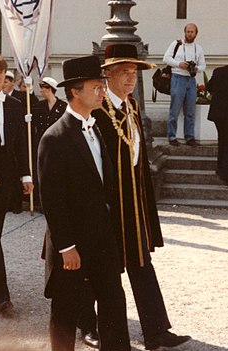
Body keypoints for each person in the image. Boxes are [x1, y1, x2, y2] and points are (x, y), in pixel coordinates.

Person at [77, 44, 191, 351]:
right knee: (100, 268)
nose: (130, 79)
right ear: (108, 74)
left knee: (142, 262)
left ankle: (155, 331)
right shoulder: (97, 110)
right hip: (108, 203)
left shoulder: (133, 106)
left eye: (134, 72)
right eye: (124, 72)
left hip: (134, 200)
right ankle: (89, 326)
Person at [38, 55, 131, 351]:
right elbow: (51, 199)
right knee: (66, 310)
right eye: (96, 87)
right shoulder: (54, 138)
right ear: (75, 92)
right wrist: (66, 246)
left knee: (114, 305)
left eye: (102, 87)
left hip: (102, 239)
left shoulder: (96, 129)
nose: (102, 92)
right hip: (72, 245)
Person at [0, 54, 33, 314]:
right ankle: (2, 297)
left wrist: (26, 175)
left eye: (0, 72)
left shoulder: (14, 104)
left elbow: (20, 142)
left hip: (4, 180)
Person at [163, 23, 206, 146]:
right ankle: (172, 136)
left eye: (192, 32)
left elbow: (203, 65)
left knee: (190, 111)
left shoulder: (199, 48)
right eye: (188, 31)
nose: (190, 34)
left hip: (191, 80)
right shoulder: (177, 44)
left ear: (196, 33)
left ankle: (189, 137)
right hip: (177, 78)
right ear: (184, 32)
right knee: (175, 110)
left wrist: (195, 68)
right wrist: (179, 64)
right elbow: (166, 58)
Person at [32, 77, 67, 208]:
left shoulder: (63, 107)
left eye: (44, 88)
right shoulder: (38, 106)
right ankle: (40, 202)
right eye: (41, 88)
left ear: (51, 89)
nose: (41, 91)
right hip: (40, 142)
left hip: (57, 144)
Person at [2, 70, 24, 214]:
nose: (3, 84)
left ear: (11, 83)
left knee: (15, 175)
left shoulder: (19, 97)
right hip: (3, 140)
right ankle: (6, 204)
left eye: (6, 81)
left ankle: (16, 204)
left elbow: (31, 103)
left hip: (16, 140)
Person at [207, 65, 228, 183]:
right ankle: (225, 172)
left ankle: (220, 168)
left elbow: (209, 87)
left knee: (222, 140)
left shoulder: (218, 71)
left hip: (218, 113)